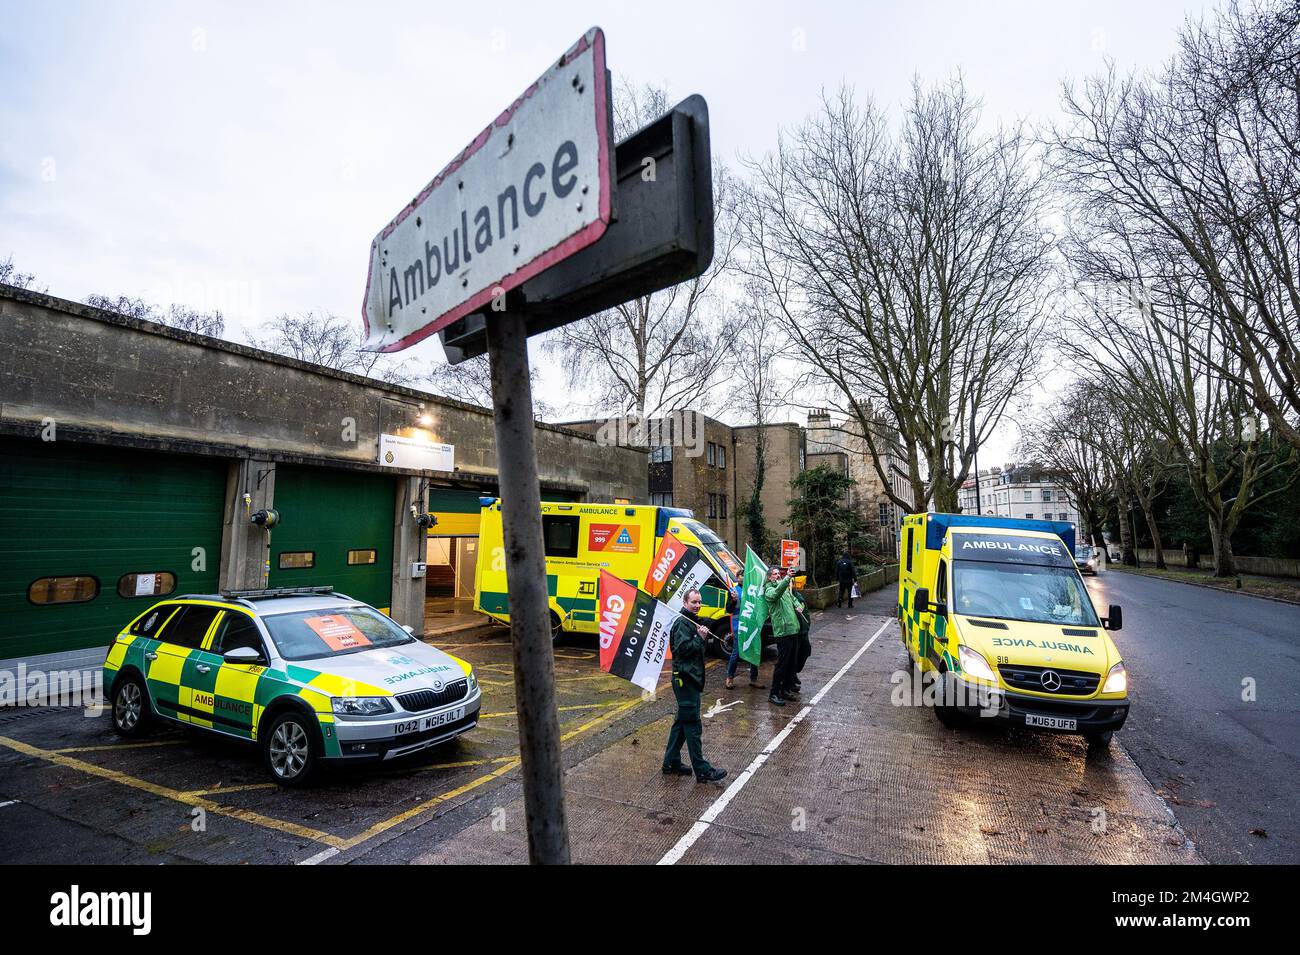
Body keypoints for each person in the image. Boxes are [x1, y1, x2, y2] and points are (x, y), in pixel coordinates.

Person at [662, 588, 728, 783]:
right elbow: (682, 650)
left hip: (690, 679)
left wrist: (701, 634)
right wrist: (700, 638)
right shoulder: (682, 623)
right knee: (692, 725)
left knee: (681, 724)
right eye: (694, 602)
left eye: (699, 602)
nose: (698, 605)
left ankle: (670, 762)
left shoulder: (691, 622)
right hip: (685, 681)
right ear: (685, 603)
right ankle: (702, 770)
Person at [763, 565, 801, 706]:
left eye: (779, 573)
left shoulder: (783, 586)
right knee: (782, 664)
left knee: (791, 663)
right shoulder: (769, 590)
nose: (778, 575)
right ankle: (773, 693)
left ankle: (785, 690)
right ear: (769, 577)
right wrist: (787, 578)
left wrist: (799, 606)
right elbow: (776, 594)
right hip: (783, 632)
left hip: (793, 629)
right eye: (774, 574)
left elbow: (794, 599)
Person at [724, 583, 763, 690]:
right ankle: (729, 677)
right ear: (738, 577)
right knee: (736, 652)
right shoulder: (734, 590)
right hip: (739, 626)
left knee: (754, 650)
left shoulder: (753, 587)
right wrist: (733, 600)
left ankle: (753, 679)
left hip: (751, 625)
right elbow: (729, 609)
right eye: (742, 574)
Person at [792, 575, 812, 690]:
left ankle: (794, 672)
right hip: (795, 632)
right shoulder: (787, 597)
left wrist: (807, 624)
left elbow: (806, 612)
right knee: (793, 655)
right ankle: (791, 677)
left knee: (806, 650)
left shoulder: (798, 596)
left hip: (804, 630)